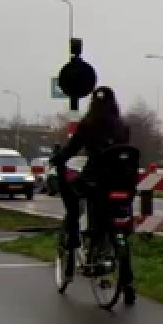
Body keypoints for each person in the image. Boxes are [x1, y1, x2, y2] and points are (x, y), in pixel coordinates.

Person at [50, 86, 135, 303]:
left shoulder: (87, 125)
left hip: (95, 181)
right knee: (118, 226)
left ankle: (73, 237)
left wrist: (59, 158)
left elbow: (71, 149)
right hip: (121, 182)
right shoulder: (123, 126)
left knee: (73, 198)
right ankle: (128, 285)